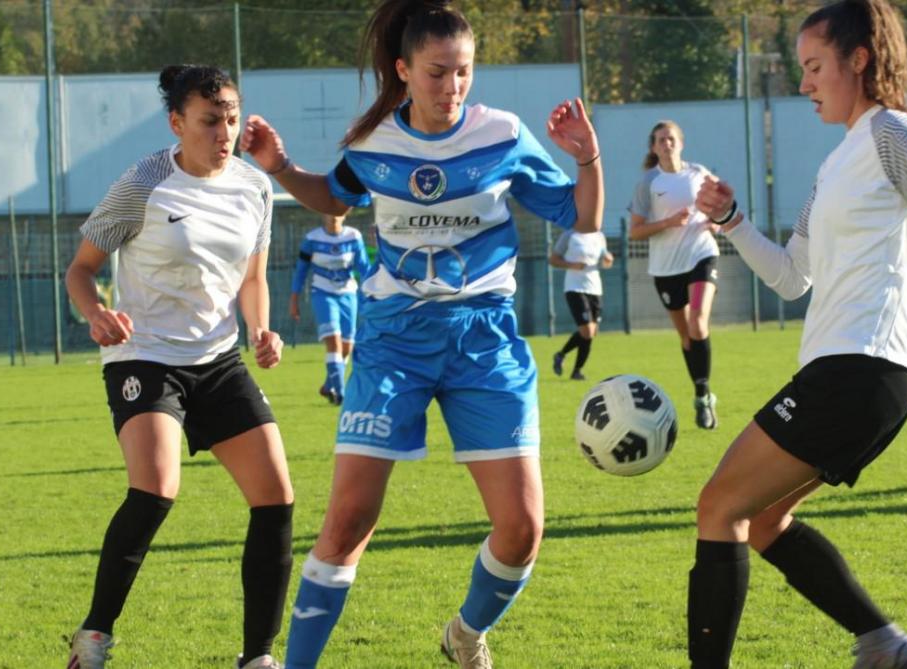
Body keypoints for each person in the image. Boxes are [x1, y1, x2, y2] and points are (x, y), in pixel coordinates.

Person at [683, 2, 907, 668]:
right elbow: (793, 278)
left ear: (859, 59)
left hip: (862, 369)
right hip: (849, 373)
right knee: (761, 519)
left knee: (719, 504)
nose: (803, 84)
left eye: (814, 66)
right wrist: (733, 221)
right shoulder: (834, 165)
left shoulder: (894, 135)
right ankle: (882, 641)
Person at [239, 1, 602, 667]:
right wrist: (281, 166)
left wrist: (587, 158)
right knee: (347, 520)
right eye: (437, 73)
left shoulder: (502, 135)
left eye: (462, 72)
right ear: (404, 70)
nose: (452, 88)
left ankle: (464, 633)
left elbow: (580, 216)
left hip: (483, 340)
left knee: (521, 530)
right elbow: (336, 197)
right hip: (392, 341)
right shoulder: (372, 139)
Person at [64, 65, 293, 669]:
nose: (225, 132)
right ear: (177, 123)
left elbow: (252, 277)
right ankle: (93, 639)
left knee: (276, 498)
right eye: (211, 120)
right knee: (157, 488)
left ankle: (258, 658)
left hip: (218, 359)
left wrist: (261, 328)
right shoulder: (145, 181)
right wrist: (96, 314)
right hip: (145, 356)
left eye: (233, 119)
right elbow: (80, 269)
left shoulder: (255, 186)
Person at [628, 120, 722, 429]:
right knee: (686, 337)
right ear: (654, 148)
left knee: (698, 323)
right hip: (666, 269)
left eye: (671, 138)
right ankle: (700, 392)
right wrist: (667, 223)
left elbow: (721, 206)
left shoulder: (699, 173)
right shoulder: (648, 184)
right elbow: (636, 232)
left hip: (701, 255)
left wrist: (716, 223)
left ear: (680, 143)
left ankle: (704, 399)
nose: (666, 144)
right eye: (660, 140)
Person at [289, 213, 370, 405]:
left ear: (345, 215)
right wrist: (294, 299)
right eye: (328, 210)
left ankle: (328, 386)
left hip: (348, 294)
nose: (333, 215)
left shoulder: (354, 237)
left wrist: (373, 293)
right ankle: (340, 394)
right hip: (322, 293)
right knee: (333, 341)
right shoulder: (312, 239)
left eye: (338, 211)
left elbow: (364, 268)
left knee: (347, 347)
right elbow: (300, 270)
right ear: (322, 214)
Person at [548, 228, 613, 380]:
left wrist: (608, 260)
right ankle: (564, 357)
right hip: (575, 287)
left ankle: (575, 370)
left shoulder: (599, 236)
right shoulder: (569, 235)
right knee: (587, 331)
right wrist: (572, 265)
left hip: (595, 288)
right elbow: (553, 260)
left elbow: (604, 260)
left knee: (592, 332)